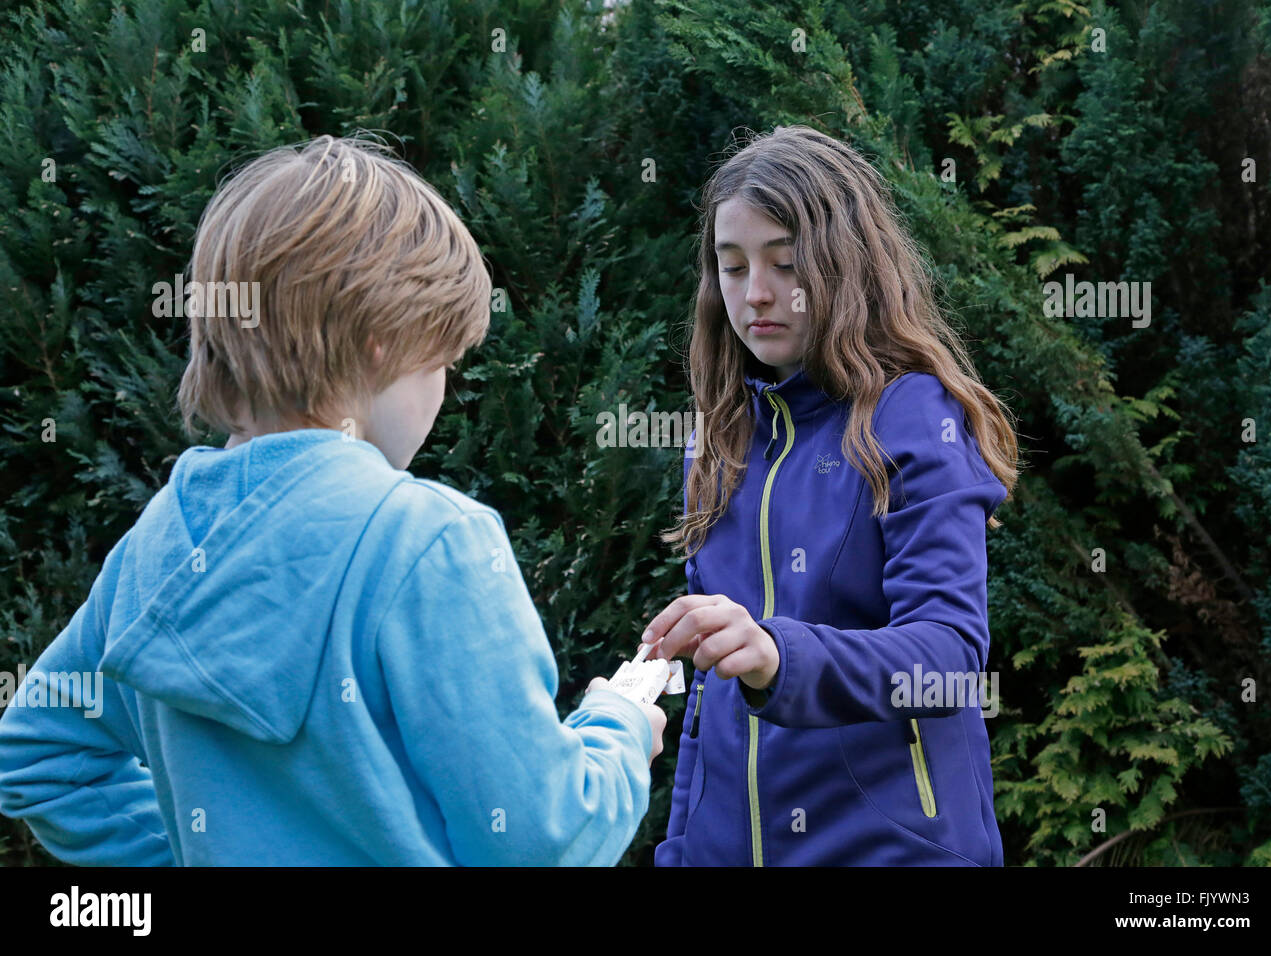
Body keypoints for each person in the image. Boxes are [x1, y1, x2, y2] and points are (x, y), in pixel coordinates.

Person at [0, 134, 665, 866]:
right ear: (384, 342)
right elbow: (545, 842)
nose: (443, 392)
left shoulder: (162, 539)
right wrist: (621, 726)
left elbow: (39, 756)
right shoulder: (430, 540)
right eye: (443, 362)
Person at [645, 125, 1021, 866]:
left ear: (845, 264)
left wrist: (776, 654)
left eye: (785, 263)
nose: (755, 293)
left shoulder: (912, 417)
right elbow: (708, 705)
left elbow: (946, 662)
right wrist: (682, 846)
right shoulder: (716, 441)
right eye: (731, 266)